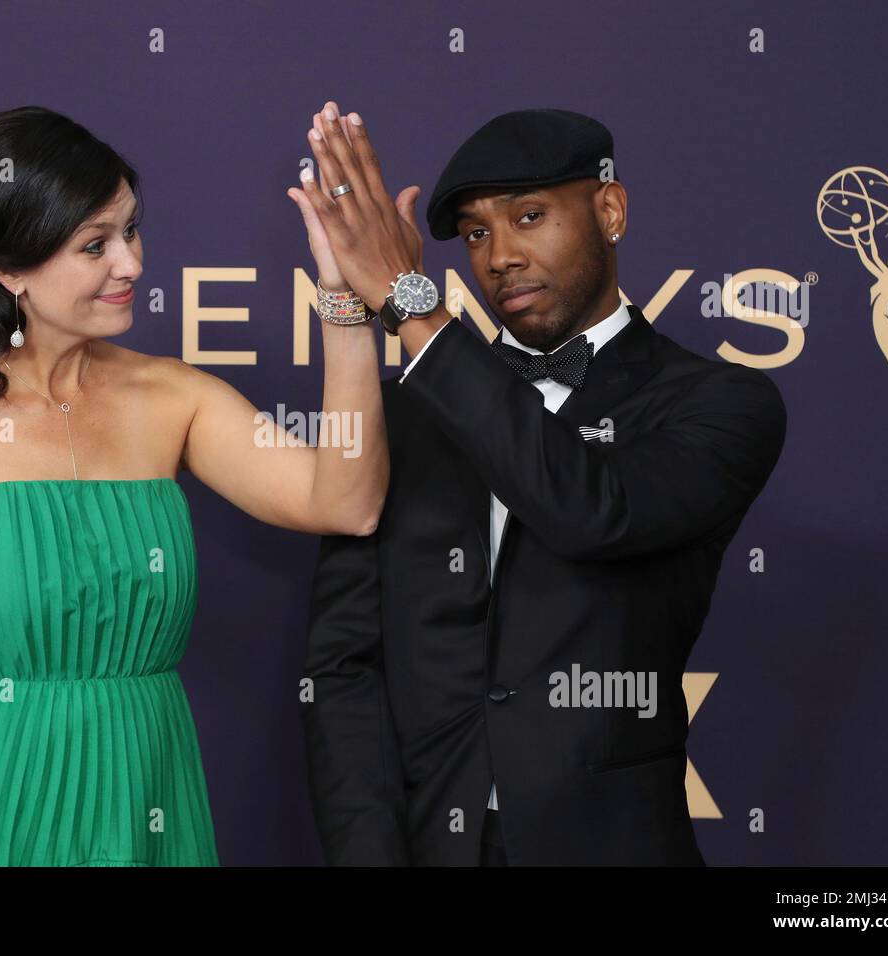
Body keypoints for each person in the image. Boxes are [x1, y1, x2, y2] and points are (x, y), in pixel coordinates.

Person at [0, 104, 388, 866]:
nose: (132, 264)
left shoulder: (174, 399)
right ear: (10, 269)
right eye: (95, 245)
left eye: (131, 229)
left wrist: (344, 297)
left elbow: (344, 499)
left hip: (138, 810)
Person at [298, 105, 787, 865]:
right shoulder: (405, 416)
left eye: (529, 216)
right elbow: (342, 668)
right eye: (475, 233)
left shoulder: (721, 404)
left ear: (610, 210)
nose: (499, 257)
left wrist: (412, 310)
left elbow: (590, 511)